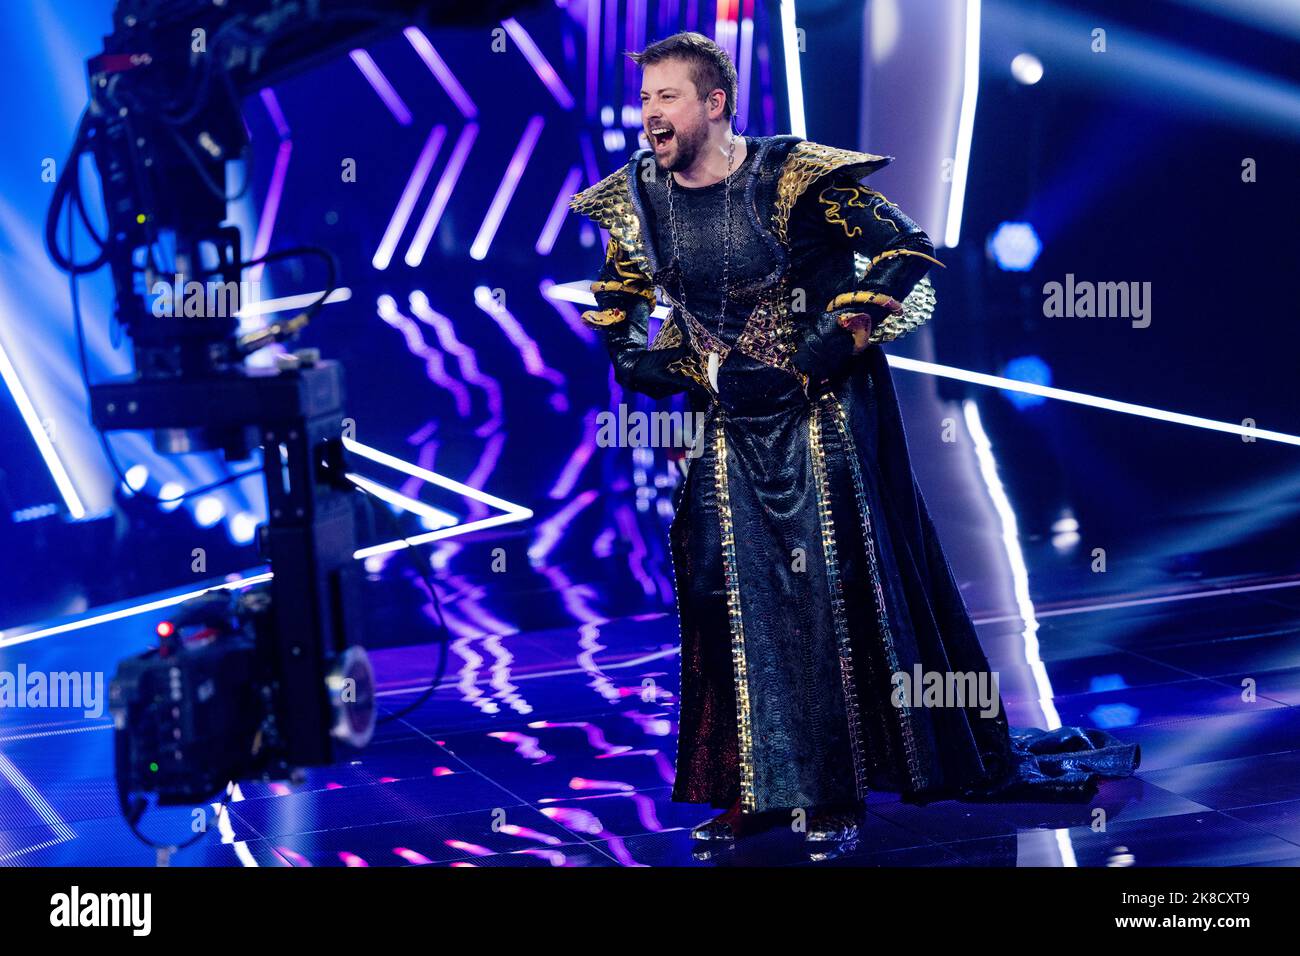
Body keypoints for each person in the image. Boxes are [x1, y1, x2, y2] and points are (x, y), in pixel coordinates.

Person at [569, 31, 1140, 844]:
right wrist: (670, 369)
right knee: (719, 596)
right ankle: (757, 785)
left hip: (818, 416)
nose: (649, 113)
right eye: (646, 98)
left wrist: (817, 352)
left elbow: (908, 248)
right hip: (725, 420)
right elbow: (617, 312)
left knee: (821, 595)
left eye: (666, 96)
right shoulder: (636, 200)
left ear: (714, 103)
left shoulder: (794, 177)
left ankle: (830, 791)